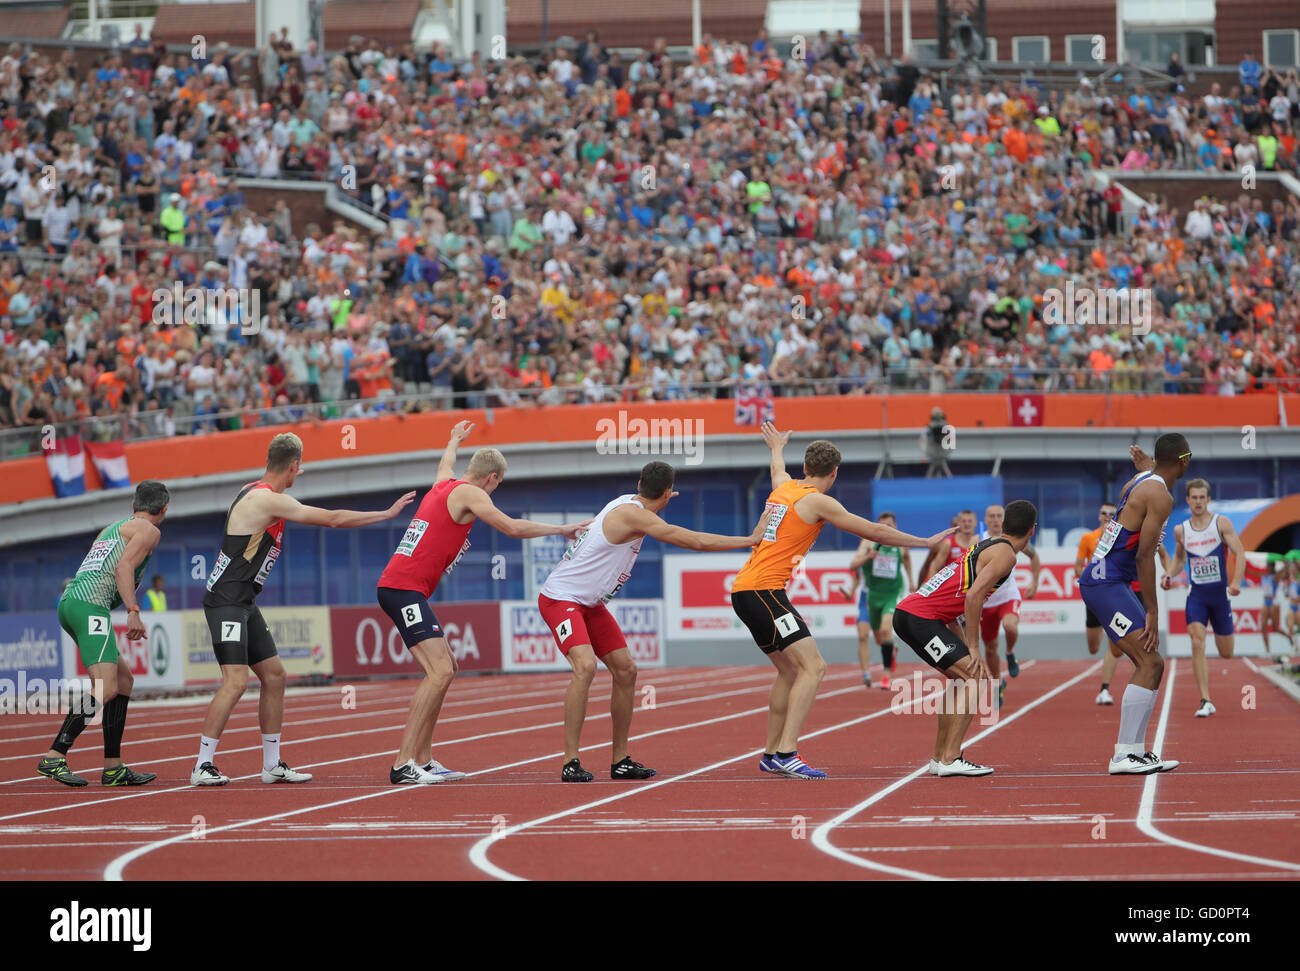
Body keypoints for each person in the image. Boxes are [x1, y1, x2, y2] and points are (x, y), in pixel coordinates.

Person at [730, 422, 953, 779]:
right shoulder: (819, 501)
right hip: (764, 591)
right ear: (834, 473)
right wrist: (925, 542)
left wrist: (775, 448)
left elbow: (777, 471)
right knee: (814, 667)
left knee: (789, 670)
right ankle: (787, 752)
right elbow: (873, 530)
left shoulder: (784, 490)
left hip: (746, 591)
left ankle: (772, 754)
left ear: (805, 468)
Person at [193, 433, 415, 786]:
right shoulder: (266, 500)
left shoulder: (258, 492)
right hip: (226, 602)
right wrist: (386, 513)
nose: (299, 473)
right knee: (236, 682)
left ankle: (271, 764)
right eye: (300, 468)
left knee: (275, 676)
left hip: (243, 601)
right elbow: (333, 519)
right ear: (293, 466)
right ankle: (203, 764)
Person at [378, 421, 589, 784]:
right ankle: (402, 763)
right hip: (403, 589)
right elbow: (511, 527)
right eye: (499, 483)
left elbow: (445, 463)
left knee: (449, 667)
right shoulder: (472, 495)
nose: (496, 490)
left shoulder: (445, 483)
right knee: (439, 671)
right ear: (490, 478)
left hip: (403, 588)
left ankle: (425, 760)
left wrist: (453, 440)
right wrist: (561, 530)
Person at [540, 461, 771, 782]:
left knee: (626, 670)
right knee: (586, 667)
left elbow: (646, 510)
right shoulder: (636, 516)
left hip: (589, 604)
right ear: (666, 494)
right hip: (560, 599)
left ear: (639, 485)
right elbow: (695, 541)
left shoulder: (625, 501)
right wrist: (750, 540)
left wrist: (658, 498)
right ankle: (570, 760)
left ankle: (620, 760)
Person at [892, 499, 1039, 776]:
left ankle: (939, 758)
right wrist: (973, 648)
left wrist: (963, 643)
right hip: (920, 617)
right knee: (976, 677)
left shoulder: (989, 545)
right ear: (1032, 530)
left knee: (962, 679)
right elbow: (973, 597)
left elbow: (957, 599)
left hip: (913, 615)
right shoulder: (1006, 555)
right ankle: (951, 758)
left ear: (1005, 524)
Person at [37, 481, 170, 787]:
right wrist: (133, 610)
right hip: (89, 607)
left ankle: (113, 767)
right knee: (107, 687)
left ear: (133, 505)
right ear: (163, 509)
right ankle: (54, 755)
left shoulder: (113, 527)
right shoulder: (149, 531)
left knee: (122, 682)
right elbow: (124, 568)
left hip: (72, 604)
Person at [1078, 434, 1190, 775]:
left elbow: (1145, 471)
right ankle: (1123, 755)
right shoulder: (1161, 495)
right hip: (1105, 583)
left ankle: (1135, 752)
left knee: (1154, 664)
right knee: (1149, 660)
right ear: (1184, 461)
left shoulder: (1142, 480)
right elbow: (1145, 553)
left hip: (1109, 582)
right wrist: (1154, 612)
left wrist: (1146, 465)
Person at [1161, 478, 1245, 717]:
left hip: (1219, 597)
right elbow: (1178, 560)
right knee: (1197, 642)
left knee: (1226, 652)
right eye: (1193, 497)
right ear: (1187, 500)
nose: (1197, 502)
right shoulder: (1181, 530)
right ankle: (1205, 700)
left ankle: (1207, 697)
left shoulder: (1221, 523)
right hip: (1196, 595)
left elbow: (1239, 552)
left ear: (1208, 499)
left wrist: (1236, 582)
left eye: (1202, 497)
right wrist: (1169, 574)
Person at [840, 512, 915, 689]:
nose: (886, 530)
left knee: (885, 628)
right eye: (882, 526)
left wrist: (911, 580)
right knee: (879, 638)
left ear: (895, 527)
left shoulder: (900, 543)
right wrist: (868, 556)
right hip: (873, 595)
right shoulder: (868, 542)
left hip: (892, 592)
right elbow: (853, 566)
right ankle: (891, 649)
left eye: (889, 526)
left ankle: (886, 676)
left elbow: (906, 559)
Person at [977, 503, 1039, 707]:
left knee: (1010, 625)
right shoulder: (977, 540)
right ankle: (997, 683)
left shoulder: (1014, 539)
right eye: (991, 516)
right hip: (985, 602)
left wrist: (1035, 581)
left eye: (998, 516)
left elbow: (1034, 556)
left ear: (1004, 521)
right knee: (991, 648)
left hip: (1007, 596)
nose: (995, 519)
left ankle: (1010, 652)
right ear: (986, 520)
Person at [1075, 501, 1126, 704]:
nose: (1106, 515)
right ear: (1098, 516)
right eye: (1103, 512)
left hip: (1113, 596)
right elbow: (1078, 566)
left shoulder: (1122, 538)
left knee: (1115, 646)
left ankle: (1105, 689)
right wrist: (1087, 579)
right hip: (1095, 596)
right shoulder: (1088, 538)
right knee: (1093, 647)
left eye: (1111, 513)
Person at [920, 508, 978, 582]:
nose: (967, 524)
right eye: (963, 521)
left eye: (970, 521)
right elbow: (934, 568)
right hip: (951, 587)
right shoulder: (949, 543)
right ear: (958, 523)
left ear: (975, 523)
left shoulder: (980, 542)